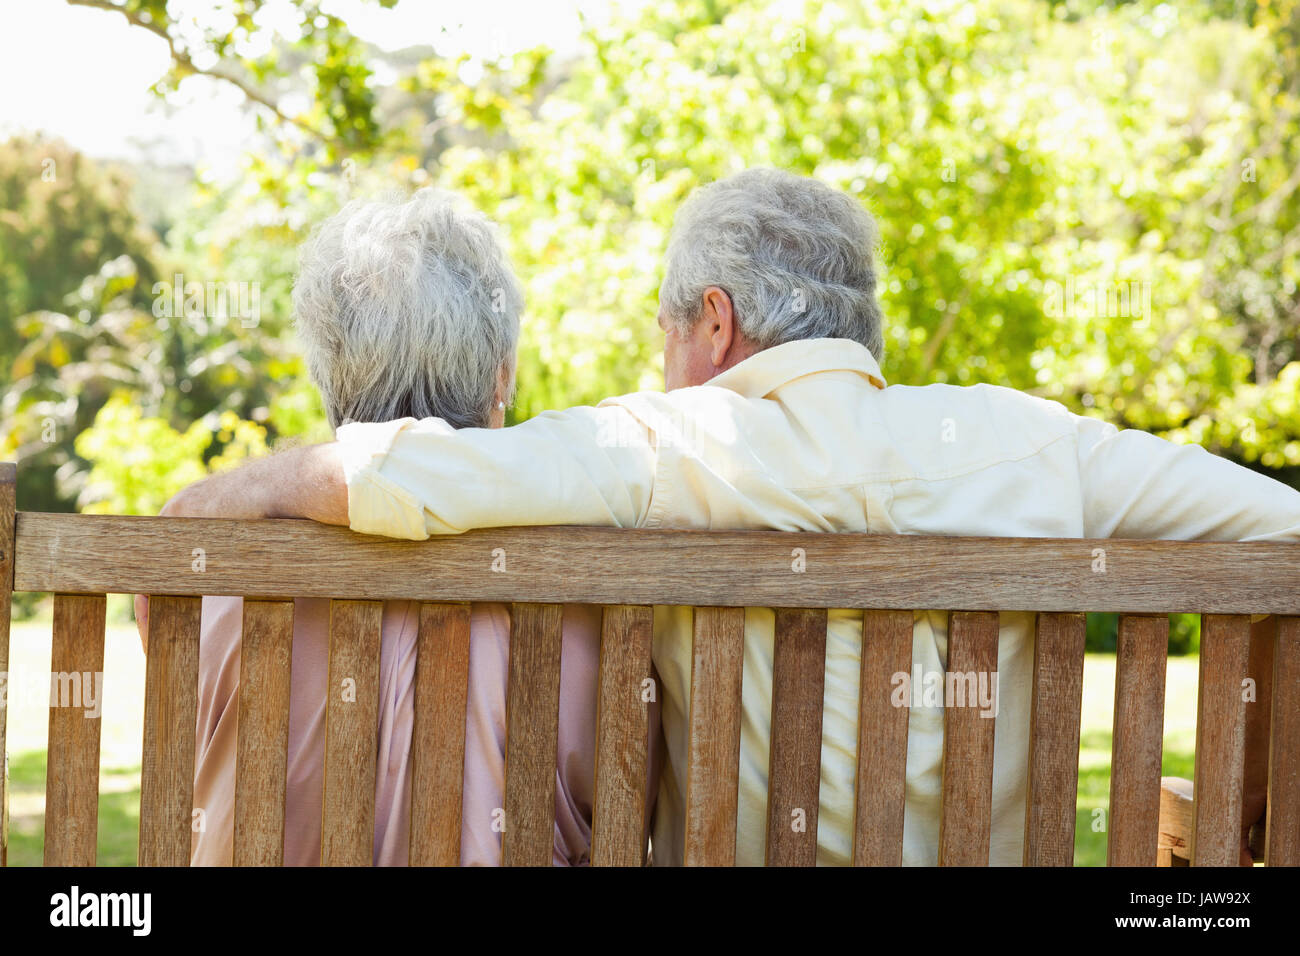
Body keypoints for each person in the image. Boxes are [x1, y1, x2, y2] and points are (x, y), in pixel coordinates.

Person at [158, 168, 1300, 866]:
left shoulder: (671, 445)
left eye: (664, 331)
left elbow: (424, 474)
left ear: (713, 322)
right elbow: (1279, 529)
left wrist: (224, 497)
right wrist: (1247, 809)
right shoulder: (1042, 441)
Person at [137, 188, 660, 865]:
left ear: (329, 383)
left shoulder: (213, 599)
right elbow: (627, 824)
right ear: (501, 378)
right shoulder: (600, 614)